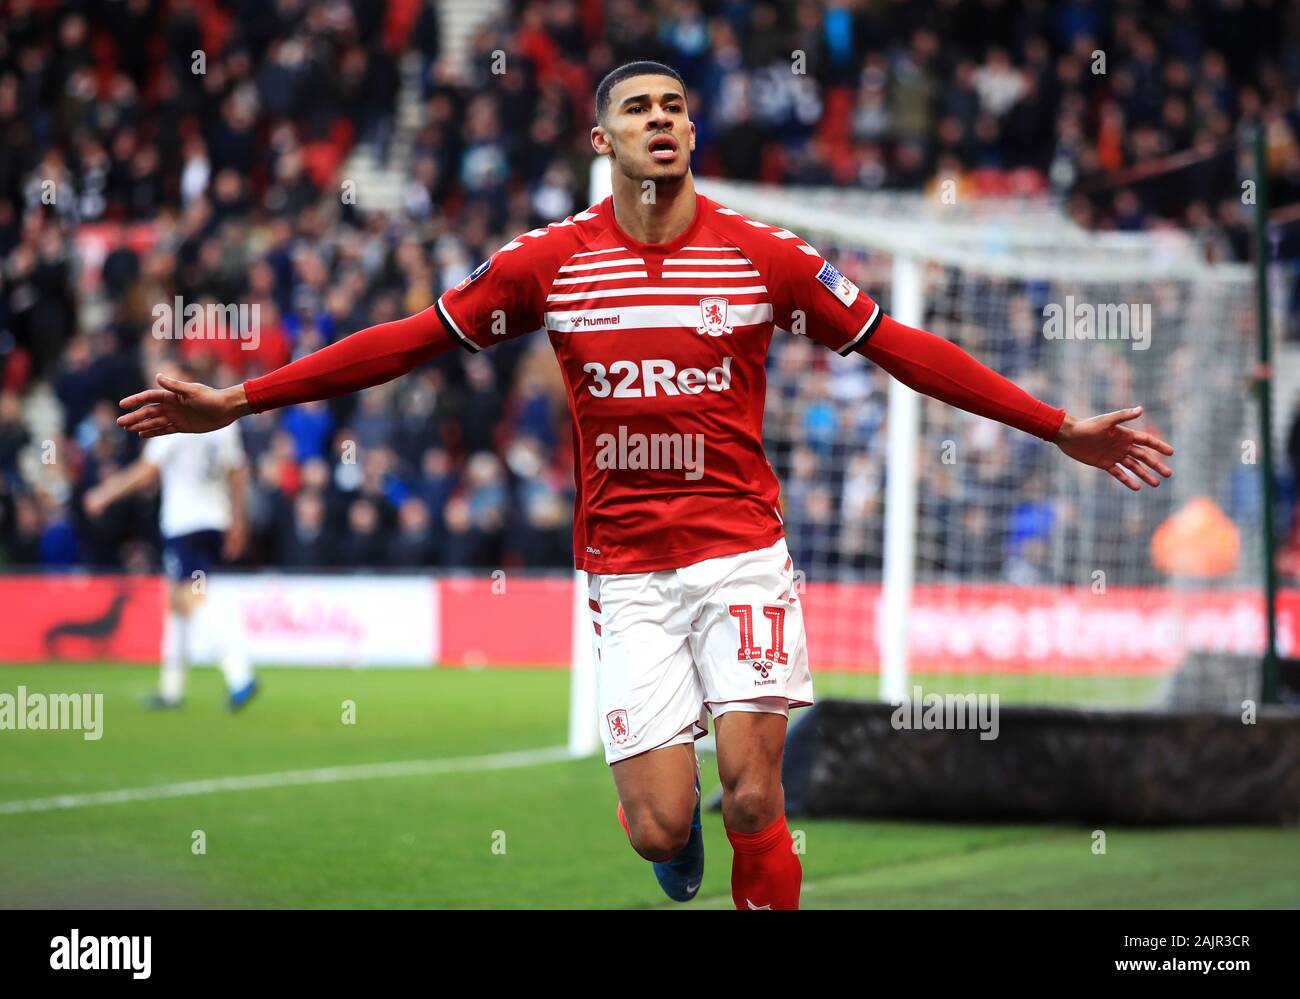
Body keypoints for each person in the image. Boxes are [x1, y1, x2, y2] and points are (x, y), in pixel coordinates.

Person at [114, 62, 1174, 909]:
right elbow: (405, 343)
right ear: (602, 141)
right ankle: (671, 857)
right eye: (637, 107)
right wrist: (244, 400)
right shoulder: (547, 264)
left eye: (674, 106)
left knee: (754, 795)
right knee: (665, 825)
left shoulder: (768, 259)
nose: (660, 119)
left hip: (743, 557)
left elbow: (899, 347)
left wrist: (1053, 426)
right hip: (626, 576)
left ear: (691, 135)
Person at [87, 362, 257, 711]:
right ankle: (171, 689)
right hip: (214, 520)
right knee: (175, 603)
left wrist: (104, 494)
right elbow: (238, 472)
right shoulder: (223, 418)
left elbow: (148, 472)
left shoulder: (175, 419)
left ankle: (239, 672)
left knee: (190, 598)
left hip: (185, 523)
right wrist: (239, 522)